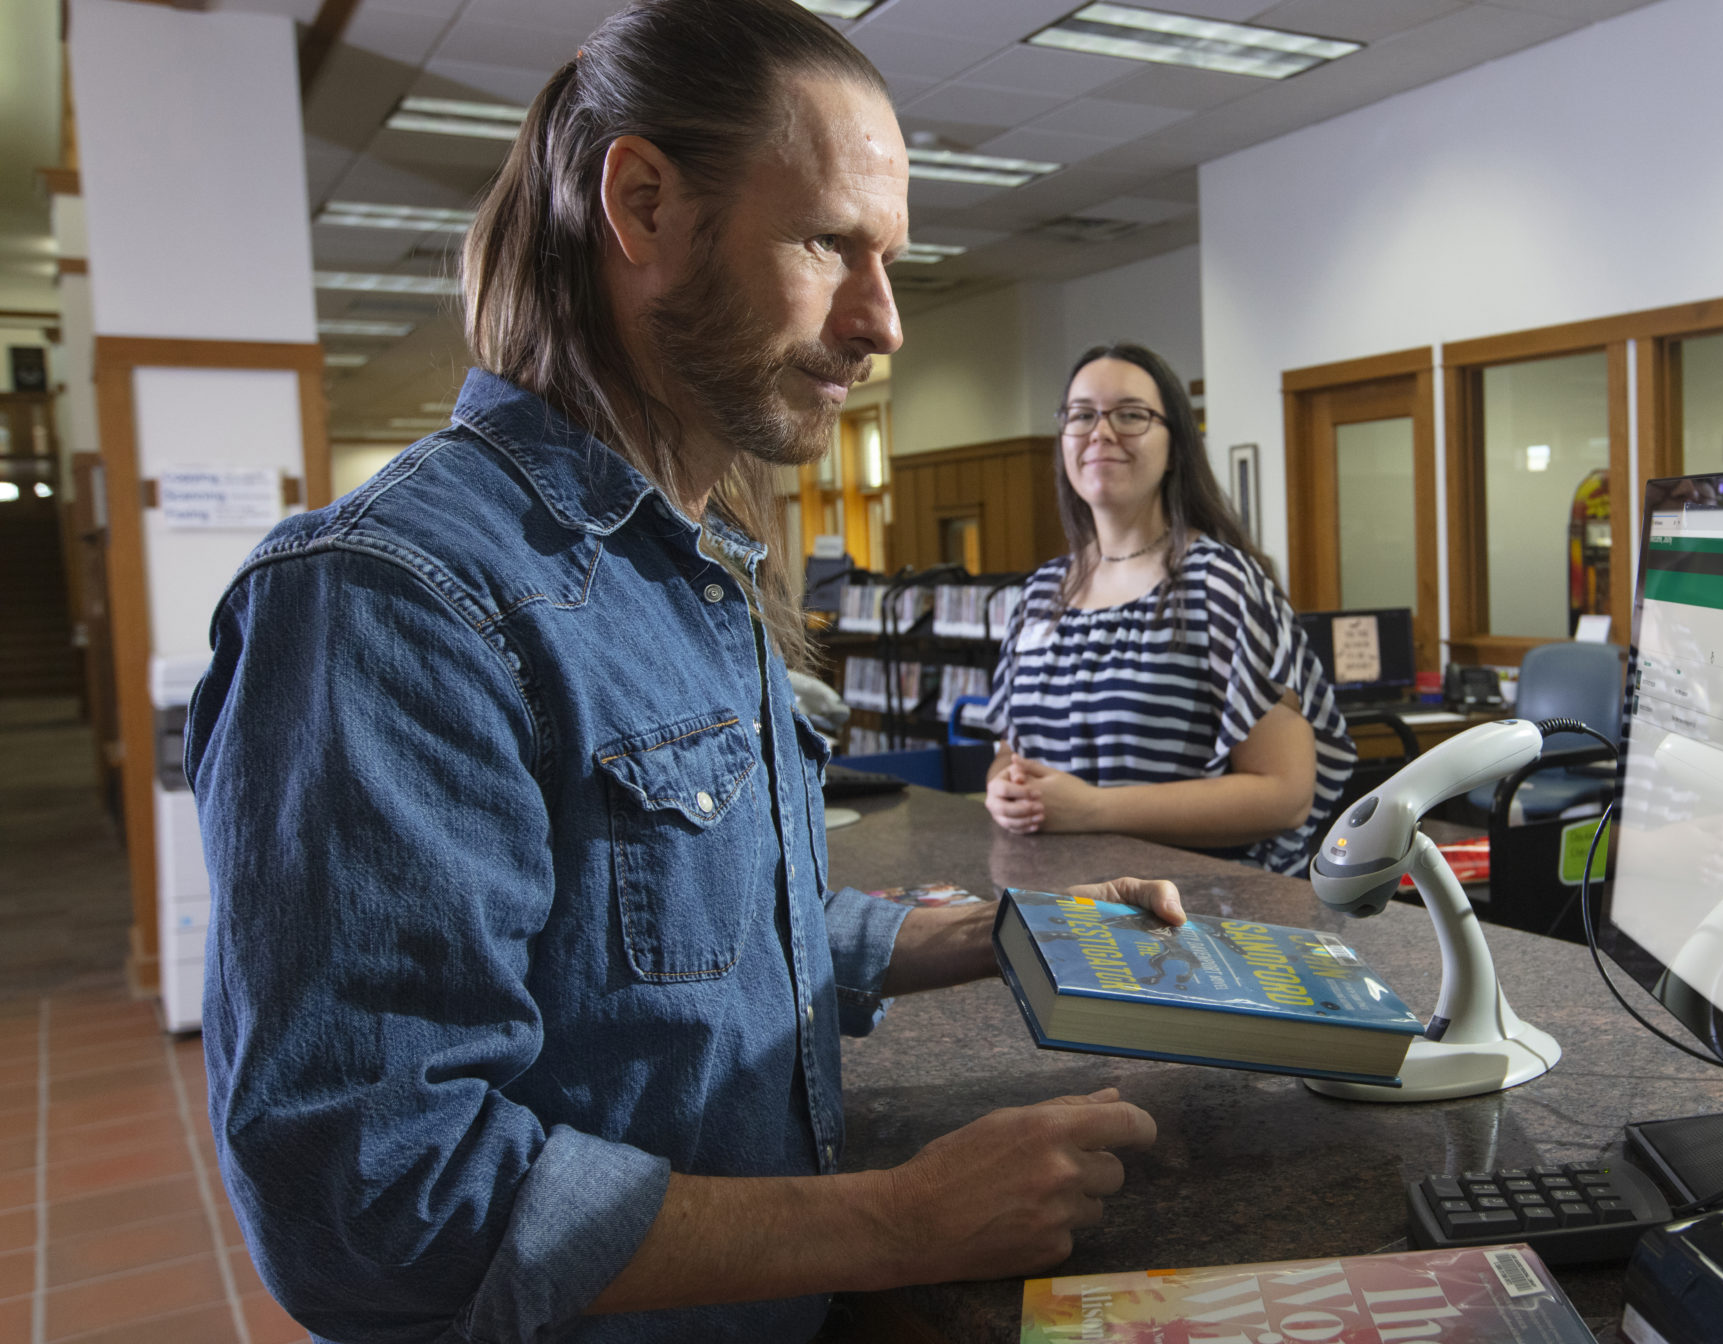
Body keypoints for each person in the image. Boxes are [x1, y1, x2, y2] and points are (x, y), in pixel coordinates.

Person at [184, 4, 1176, 1340]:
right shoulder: (388, 597)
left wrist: (996, 936)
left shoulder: (691, 566)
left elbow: (681, 943)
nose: (884, 322)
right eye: (831, 243)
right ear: (643, 207)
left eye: (890, 259)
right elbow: (373, 1193)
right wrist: (902, 1219)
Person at [983, 344, 1357, 875]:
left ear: (1177, 445)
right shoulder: (1041, 593)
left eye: (1131, 415)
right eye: (1082, 414)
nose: (1102, 432)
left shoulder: (1219, 584)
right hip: (1063, 899)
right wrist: (1004, 789)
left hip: (1195, 916)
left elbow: (1285, 794)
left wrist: (1092, 809)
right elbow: (1009, 752)